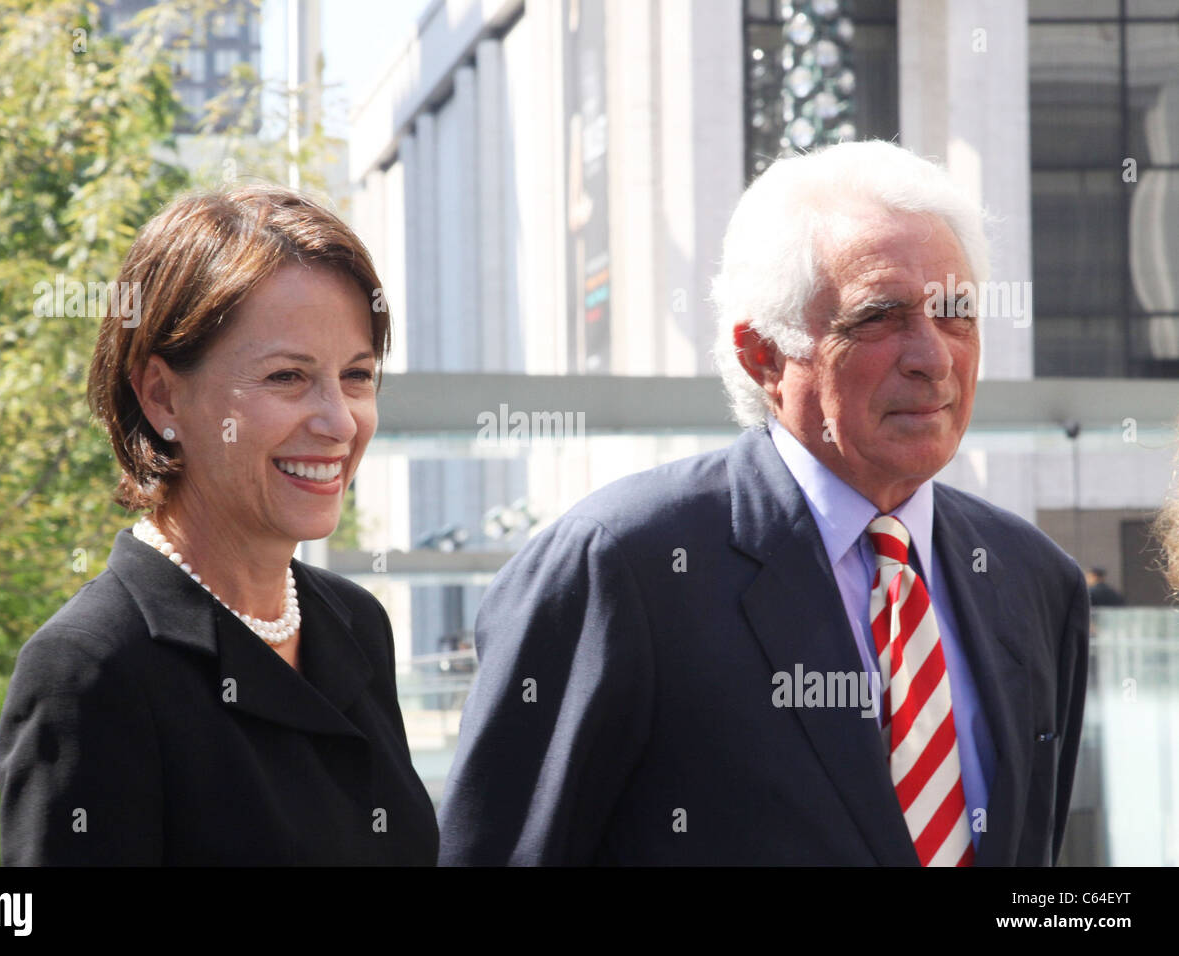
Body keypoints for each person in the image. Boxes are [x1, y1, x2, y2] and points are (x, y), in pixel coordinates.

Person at [438, 141, 1089, 866]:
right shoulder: (621, 567)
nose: (934, 356)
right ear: (765, 357)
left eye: (956, 313)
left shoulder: (1035, 580)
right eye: (881, 315)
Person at [0, 185, 438, 865]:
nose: (339, 421)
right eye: (288, 377)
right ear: (162, 394)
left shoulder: (353, 623)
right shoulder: (91, 668)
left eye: (356, 376)